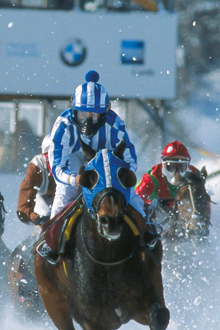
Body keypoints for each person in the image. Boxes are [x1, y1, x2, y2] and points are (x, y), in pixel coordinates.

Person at [36, 70, 153, 262]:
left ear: (105, 112)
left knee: (127, 192)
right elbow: (57, 166)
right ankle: (52, 240)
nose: (88, 121)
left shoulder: (115, 123)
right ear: (74, 109)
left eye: (95, 115)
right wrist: (74, 179)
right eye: (83, 114)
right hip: (74, 156)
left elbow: (129, 155)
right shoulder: (63, 125)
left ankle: (146, 230)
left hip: (104, 156)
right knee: (65, 191)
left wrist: (125, 176)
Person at [135, 140, 204, 227]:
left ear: (187, 167)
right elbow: (135, 202)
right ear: (163, 165)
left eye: (181, 167)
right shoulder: (153, 175)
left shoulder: (194, 174)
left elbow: (204, 203)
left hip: (178, 216)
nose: (176, 173)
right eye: (170, 166)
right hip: (155, 215)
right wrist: (152, 205)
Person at [16, 135, 56, 226]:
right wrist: (33, 216)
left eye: (55, 155)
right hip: (43, 197)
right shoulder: (37, 165)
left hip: (65, 199)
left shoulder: (71, 163)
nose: (53, 160)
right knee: (45, 221)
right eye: (48, 156)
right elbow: (26, 194)